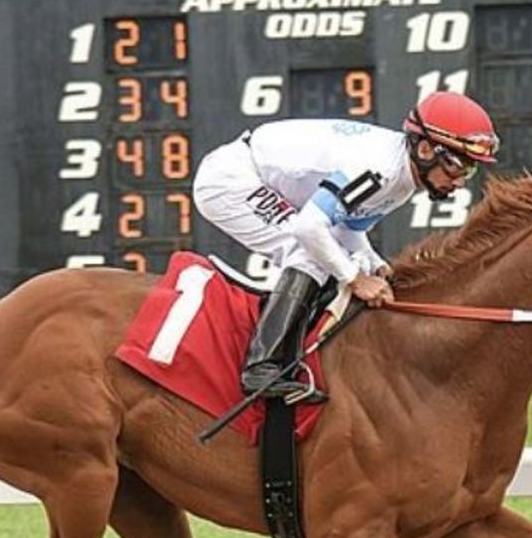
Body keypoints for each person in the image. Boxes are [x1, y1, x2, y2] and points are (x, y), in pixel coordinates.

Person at [191, 91, 500, 401]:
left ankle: (290, 358)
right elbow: (310, 227)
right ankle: (261, 368)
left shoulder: (403, 180)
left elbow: (348, 229)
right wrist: (356, 279)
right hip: (231, 179)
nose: (460, 181)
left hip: (259, 176)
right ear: (424, 148)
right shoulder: (381, 169)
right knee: (309, 254)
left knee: (340, 259)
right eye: (457, 165)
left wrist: (374, 263)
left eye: (469, 170)